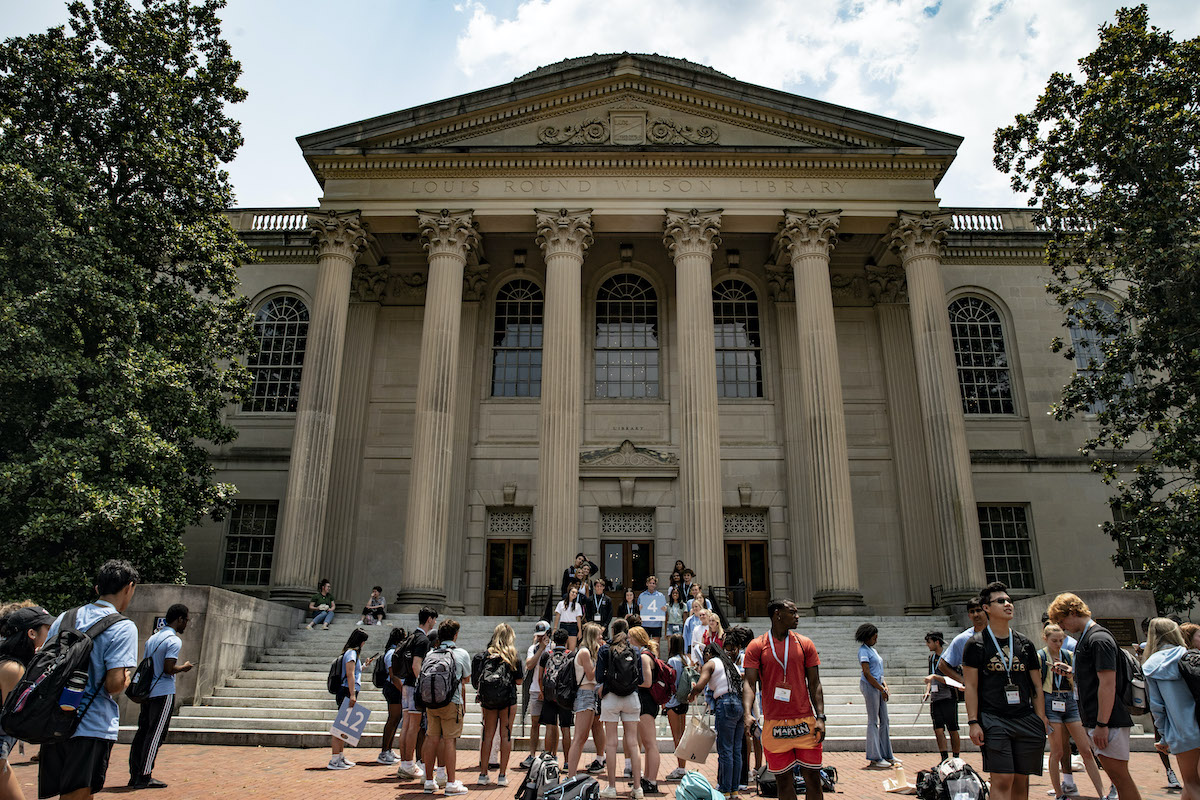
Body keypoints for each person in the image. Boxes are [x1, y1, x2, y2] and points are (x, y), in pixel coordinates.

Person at [39, 559, 140, 800]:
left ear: (98, 588)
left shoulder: (65, 618)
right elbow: (113, 685)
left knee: (78, 792)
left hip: (54, 719)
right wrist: (125, 679)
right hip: (90, 723)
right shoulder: (123, 626)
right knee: (76, 793)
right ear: (129, 587)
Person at [1048, 592, 1141, 800]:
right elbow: (1096, 678)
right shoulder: (1088, 638)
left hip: (1108, 720)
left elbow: (1107, 683)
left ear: (1073, 612)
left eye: (1062, 621)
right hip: (1098, 719)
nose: (1062, 627)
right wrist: (1072, 673)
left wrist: (1102, 724)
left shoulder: (1098, 638)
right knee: (1118, 777)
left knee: (1120, 778)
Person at [963, 581, 1049, 800]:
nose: (1008, 604)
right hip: (994, 718)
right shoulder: (975, 644)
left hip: (1025, 717)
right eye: (1000, 601)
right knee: (1002, 778)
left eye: (1009, 600)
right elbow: (971, 686)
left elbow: (1036, 685)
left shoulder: (1025, 644)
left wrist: (1040, 718)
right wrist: (973, 722)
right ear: (986, 608)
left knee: (1021, 779)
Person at [743, 598, 825, 800]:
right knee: (783, 783)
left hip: (805, 722)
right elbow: (749, 684)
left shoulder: (805, 643)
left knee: (813, 780)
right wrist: (747, 713)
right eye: (792, 612)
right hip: (774, 724)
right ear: (777, 614)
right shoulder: (757, 646)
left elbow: (815, 683)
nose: (797, 616)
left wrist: (821, 717)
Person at [128, 603, 194, 788]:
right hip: (163, 692)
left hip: (148, 692)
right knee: (156, 734)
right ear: (179, 619)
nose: (186, 624)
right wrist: (184, 667)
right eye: (186, 620)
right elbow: (168, 668)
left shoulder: (153, 638)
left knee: (143, 732)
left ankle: (135, 773)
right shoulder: (174, 641)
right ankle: (145, 776)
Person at [1039, 624, 1105, 800]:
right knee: (1057, 751)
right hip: (1051, 701)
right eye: (1054, 640)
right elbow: (1037, 686)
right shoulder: (1041, 656)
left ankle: (1102, 793)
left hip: (1069, 701)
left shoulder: (1068, 655)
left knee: (1086, 750)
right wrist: (1041, 714)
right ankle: (1059, 793)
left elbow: (1079, 679)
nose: (1058, 644)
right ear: (1045, 639)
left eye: (1061, 640)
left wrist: (1069, 674)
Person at [0, 604, 54, 800]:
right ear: (32, 633)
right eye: (48, 629)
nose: (52, 634)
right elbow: (22, 719)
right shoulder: (12, 669)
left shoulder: (12, 664)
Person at [1143, 617, 1200, 800]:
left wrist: (1163, 736)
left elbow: (1157, 707)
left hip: (1182, 730)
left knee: (1191, 783)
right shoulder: (1190, 656)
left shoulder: (1151, 665)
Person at [422, 619, 471, 796]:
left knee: (431, 738)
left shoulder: (430, 654)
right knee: (450, 740)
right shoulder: (461, 654)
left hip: (432, 702)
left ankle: (429, 781)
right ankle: (451, 783)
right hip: (452, 701)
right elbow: (466, 679)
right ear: (455, 635)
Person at [689, 641, 745, 799]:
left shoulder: (711, 664)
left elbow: (700, 686)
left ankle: (725, 789)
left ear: (708, 653)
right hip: (739, 704)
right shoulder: (730, 664)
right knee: (736, 750)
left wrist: (691, 694)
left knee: (725, 749)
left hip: (725, 704)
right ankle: (734, 790)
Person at [597, 618, 642, 799]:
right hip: (631, 697)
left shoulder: (605, 649)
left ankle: (612, 787)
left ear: (612, 630)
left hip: (611, 697)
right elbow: (641, 678)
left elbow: (598, 676)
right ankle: (637, 788)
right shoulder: (635, 650)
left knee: (611, 743)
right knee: (633, 743)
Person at [476, 623, 520, 787]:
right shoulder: (512, 655)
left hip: (489, 700)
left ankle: (483, 774)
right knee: (505, 735)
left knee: (488, 735)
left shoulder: (486, 655)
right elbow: (519, 680)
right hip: (508, 699)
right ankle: (502, 775)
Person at [397, 606, 438, 781]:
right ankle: (408, 764)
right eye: (434, 619)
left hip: (406, 685)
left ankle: (405, 763)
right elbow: (416, 665)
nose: (434, 622)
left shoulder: (412, 636)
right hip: (414, 686)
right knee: (413, 726)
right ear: (429, 619)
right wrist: (423, 685)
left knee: (406, 725)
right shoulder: (423, 640)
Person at [328, 627, 370, 770]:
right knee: (340, 726)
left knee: (344, 726)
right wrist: (352, 694)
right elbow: (350, 674)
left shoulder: (350, 653)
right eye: (363, 641)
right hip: (347, 690)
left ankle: (340, 756)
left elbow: (354, 672)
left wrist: (364, 666)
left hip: (348, 690)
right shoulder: (351, 653)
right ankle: (335, 759)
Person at [856, 623, 894, 769]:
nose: (876, 640)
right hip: (870, 686)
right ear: (867, 637)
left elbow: (879, 671)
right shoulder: (863, 651)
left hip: (878, 686)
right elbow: (867, 673)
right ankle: (875, 757)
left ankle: (887, 754)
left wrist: (884, 686)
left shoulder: (873, 650)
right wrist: (880, 688)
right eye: (874, 637)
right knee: (873, 721)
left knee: (885, 719)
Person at [566, 622, 602, 777]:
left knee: (583, 736)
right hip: (585, 694)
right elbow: (591, 675)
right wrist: (601, 659)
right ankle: (571, 775)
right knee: (579, 737)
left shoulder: (589, 652)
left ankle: (572, 773)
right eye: (599, 634)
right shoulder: (584, 652)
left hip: (590, 694)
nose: (601, 637)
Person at [628, 627, 661, 793]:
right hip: (646, 701)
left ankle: (652, 780)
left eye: (630, 638)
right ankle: (648, 778)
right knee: (648, 743)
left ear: (636, 639)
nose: (628, 641)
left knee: (650, 743)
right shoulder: (646, 654)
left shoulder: (644, 656)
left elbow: (647, 682)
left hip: (646, 702)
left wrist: (630, 682)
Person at [538, 628, 574, 769]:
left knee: (549, 727)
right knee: (565, 729)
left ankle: (547, 760)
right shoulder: (571, 655)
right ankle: (567, 761)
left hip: (549, 694)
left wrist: (542, 691)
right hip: (565, 696)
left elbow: (540, 676)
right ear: (566, 641)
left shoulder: (547, 655)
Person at [922, 631, 960, 762]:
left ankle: (956, 758)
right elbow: (930, 675)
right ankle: (944, 759)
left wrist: (935, 677)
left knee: (952, 728)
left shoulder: (949, 657)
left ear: (937, 642)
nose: (927, 645)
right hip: (936, 697)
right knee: (938, 729)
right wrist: (927, 691)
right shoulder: (931, 658)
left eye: (929, 642)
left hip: (949, 697)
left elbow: (952, 678)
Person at [519, 620, 551, 771]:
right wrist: (540, 649)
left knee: (551, 724)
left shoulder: (553, 648)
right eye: (538, 635)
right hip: (535, 689)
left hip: (549, 690)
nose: (540, 638)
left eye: (542, 635)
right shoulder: (533, 648)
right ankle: (532, 754)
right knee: (534, 723)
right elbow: (529, 664)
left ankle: (550, 754)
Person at [377, 627, 408, 765]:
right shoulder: (391, 653)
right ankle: (384, 751)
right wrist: (403, 691)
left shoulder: (395, 652)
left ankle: (388, 749)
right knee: (393, 719)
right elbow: (393, 676)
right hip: (393, 689)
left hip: (396, 688)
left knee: (396, 719)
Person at [662, 633, 690, 781]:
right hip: (683, 700)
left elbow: (669, 681)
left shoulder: (672, 660)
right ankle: (682, 767)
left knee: (676, 736)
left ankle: (680, 768)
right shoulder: (686, 659)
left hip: (673, 701)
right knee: (682, 735)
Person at [554, 584, 584, 651]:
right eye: (573, 592)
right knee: (563, 647)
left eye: (576, 593)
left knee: (572, 648)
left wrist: (580, 631)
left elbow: (578, 618)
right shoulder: (561, 603)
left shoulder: (577, 605)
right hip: (563, 625)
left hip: (573, 626)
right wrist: (555, 628)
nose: (574, 594)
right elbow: (557, 616)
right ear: (569, 592)